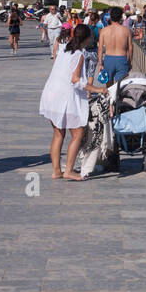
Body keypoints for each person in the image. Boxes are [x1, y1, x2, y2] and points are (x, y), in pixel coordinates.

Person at [39, 24, 93, 181]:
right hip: (64, 97)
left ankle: (56, 171)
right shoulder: (79, 54)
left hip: (50, 93)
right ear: (87, 38)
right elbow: (75, 80)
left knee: (58, 134)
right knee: (77, 133)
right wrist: (96, 89)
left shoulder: (64, 49)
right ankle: (68, 170)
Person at [97, 11, 133, 87]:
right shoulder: (126, 30)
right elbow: (130, 48)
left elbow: (100, 48)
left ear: (110, 18)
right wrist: (129, 62)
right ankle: (118, 98)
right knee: (121, 86)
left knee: (109, 86)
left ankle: (110, 98)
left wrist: (100, 63)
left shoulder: (104, 30)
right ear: (120, 18)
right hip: (122, 59)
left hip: (108, 59)